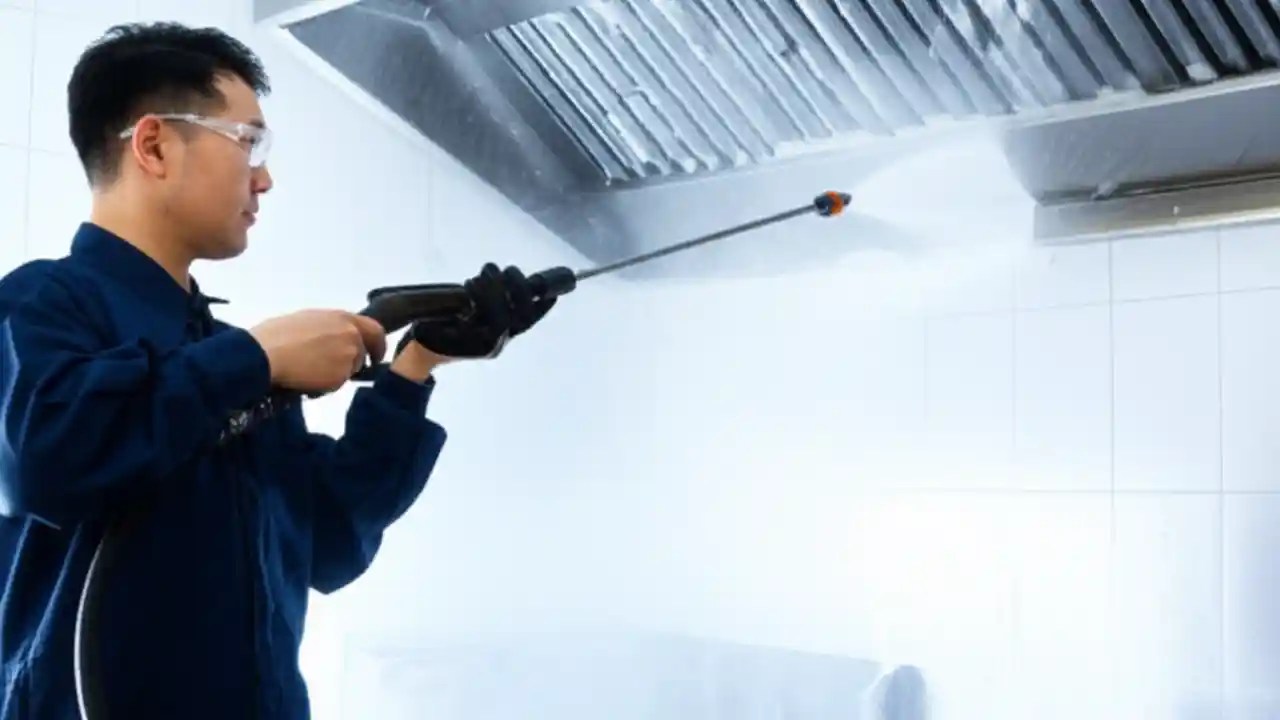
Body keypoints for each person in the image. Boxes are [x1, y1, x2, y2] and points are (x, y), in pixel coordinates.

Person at [0, 22, 556, 719]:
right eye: (248, 142)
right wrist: (259, 358)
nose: (264, 178)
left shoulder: (224, 357)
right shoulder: (41, 305)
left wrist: (414, 369)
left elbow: (327, 540)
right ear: (153, 145)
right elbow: (44, 460)